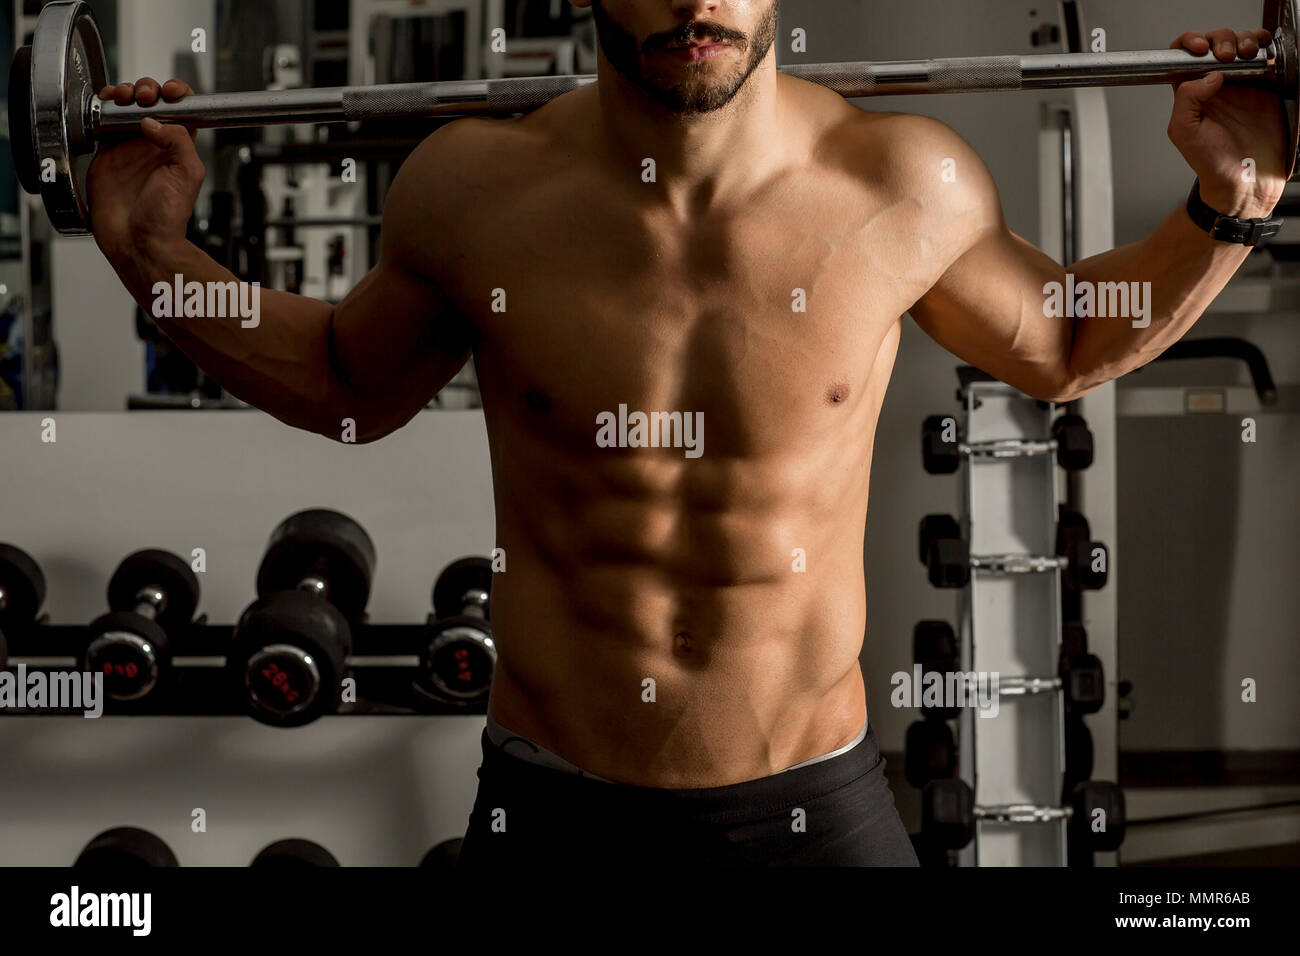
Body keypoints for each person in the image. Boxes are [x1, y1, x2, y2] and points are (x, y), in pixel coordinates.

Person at [87, 0, 1287, 866]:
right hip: (554, 809)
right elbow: (350, 384)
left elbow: (1069, 345)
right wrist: (153, 253)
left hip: (812, 804)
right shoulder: (473, 191)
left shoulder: (899, 181)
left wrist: (1227, 204)